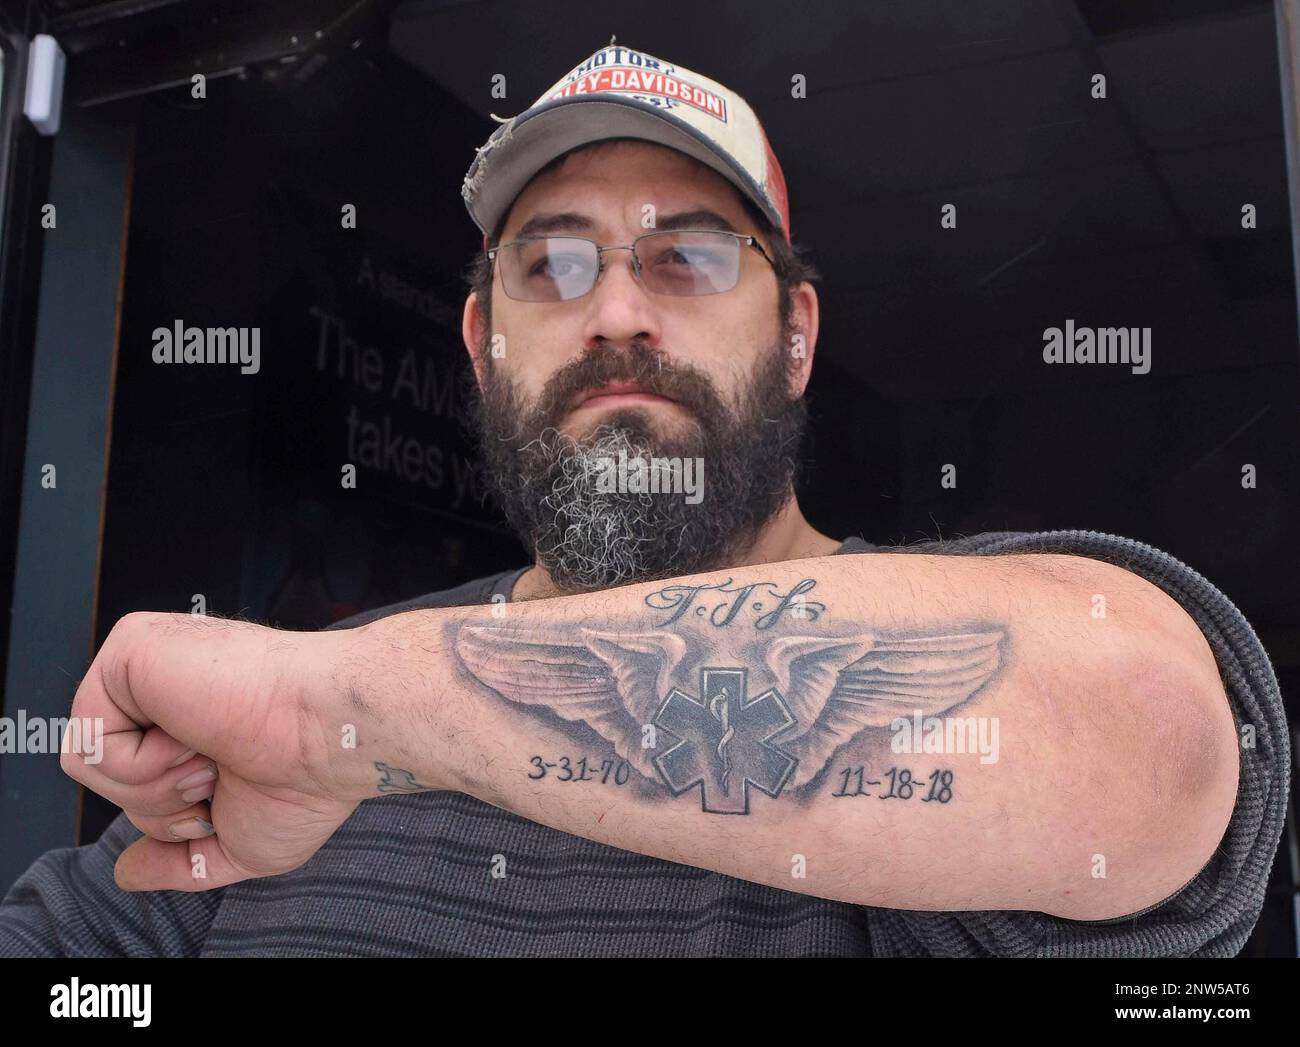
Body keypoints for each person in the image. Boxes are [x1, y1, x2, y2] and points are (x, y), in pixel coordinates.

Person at [0, 42, 1287, 958]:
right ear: (480, 340)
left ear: (793, 335)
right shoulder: (274, 772)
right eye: (550, 262)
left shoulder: (318, 712)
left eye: (688, 254)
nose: (615, 311)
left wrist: (338, 711)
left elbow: (1160, 736)